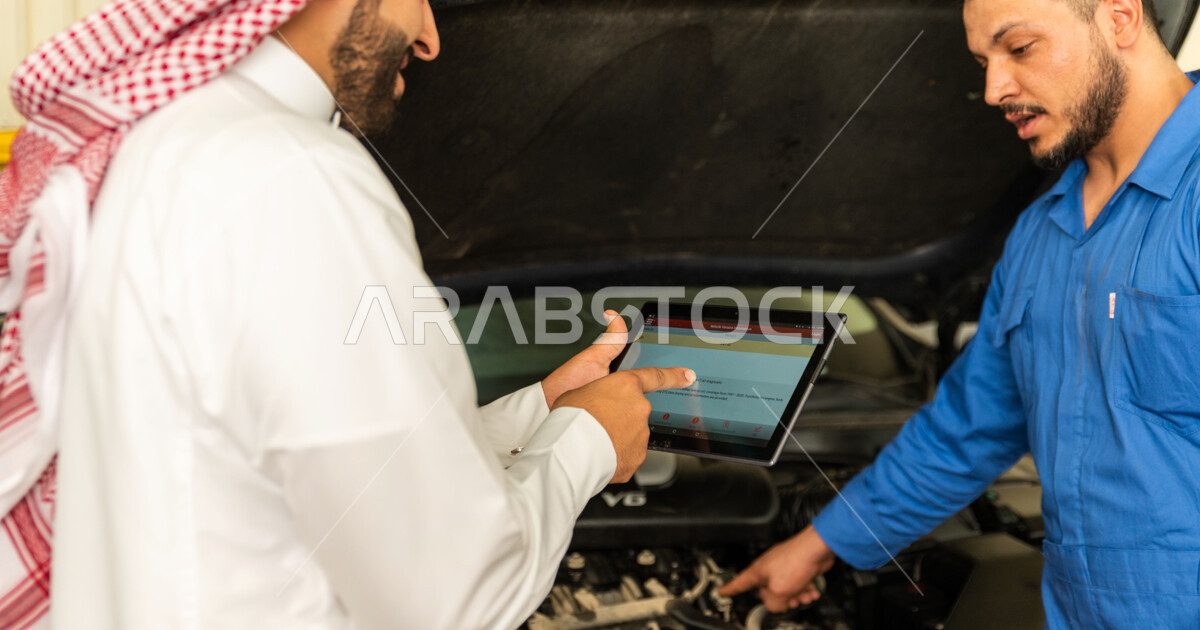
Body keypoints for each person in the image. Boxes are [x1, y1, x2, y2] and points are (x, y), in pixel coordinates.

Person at [0, 0, 694, 628]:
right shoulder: (294, 175)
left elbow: (314, 472)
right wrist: (588, 441)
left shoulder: (173, 146)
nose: (429, 39)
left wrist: (540, 411)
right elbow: (456, 603)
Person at [720, 0, 1200, 626]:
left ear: (1120, 16)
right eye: (982, 63)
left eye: (1019, 48)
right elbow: (970, 427)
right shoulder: (1040, 235)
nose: (994, 89)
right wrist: (819, 545)